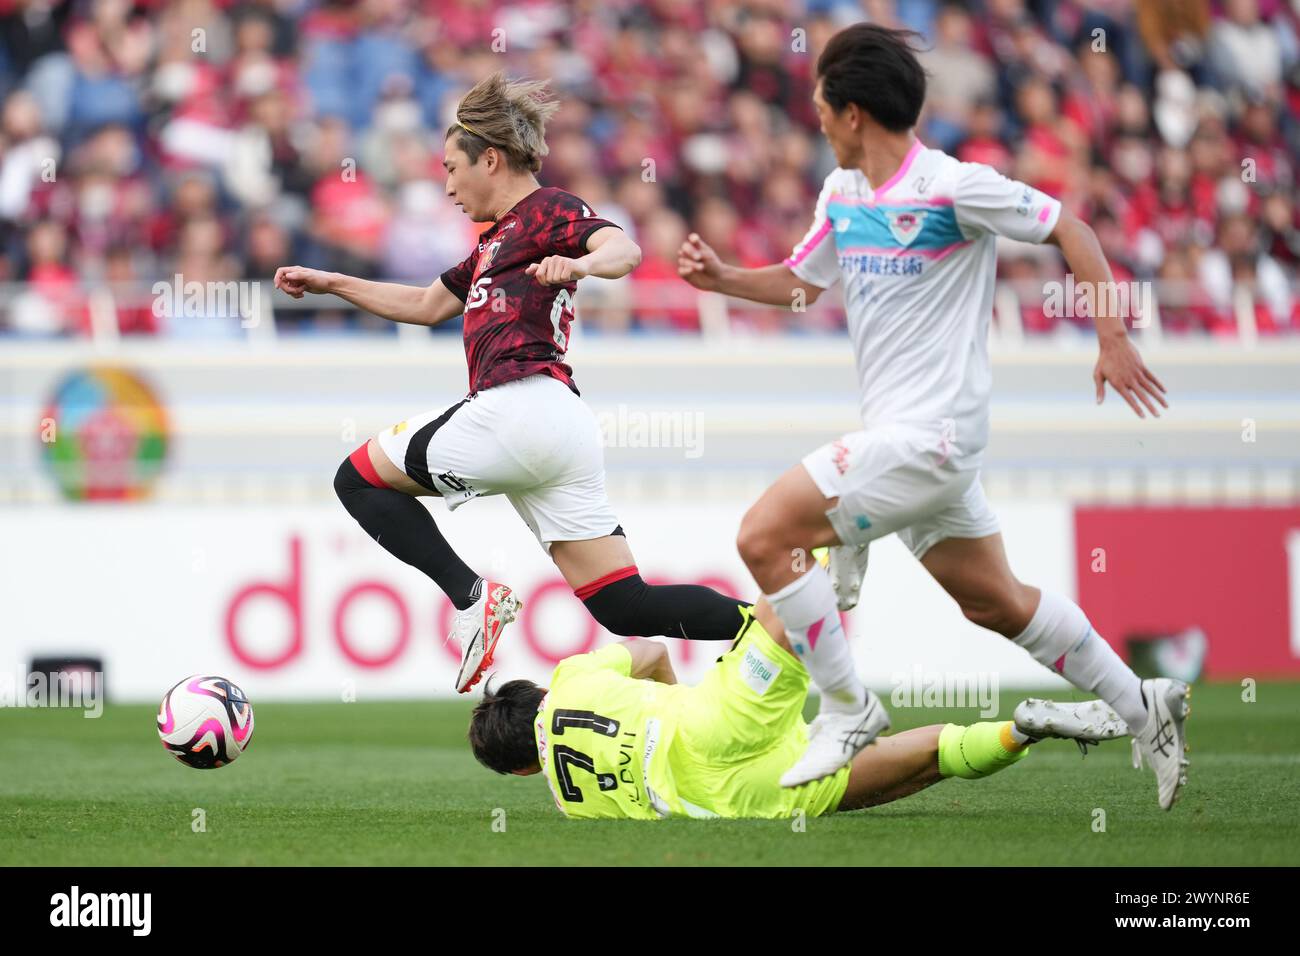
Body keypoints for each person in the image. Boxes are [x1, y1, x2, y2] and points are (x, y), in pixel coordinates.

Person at [677, 24, 1189, 808]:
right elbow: (801, 284)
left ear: (853, 113)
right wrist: (721, 281)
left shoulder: (954, 187)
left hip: (931, 438)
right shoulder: (842, 195)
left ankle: (848, 708)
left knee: (764, 536)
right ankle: (1139, 703)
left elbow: (1070, 229)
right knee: (997, 602)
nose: (812, 113)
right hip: (907, 447)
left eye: (820, 99)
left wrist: (1111, 336)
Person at [276, 72, 745, 694]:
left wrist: (580, 263)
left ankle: (472, 596)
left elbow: (623, 251)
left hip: (518, 408)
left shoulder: (549, 210)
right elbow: (421, 304)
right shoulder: (493, 244)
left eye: (451, 168)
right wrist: (334, 282)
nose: (446, 186)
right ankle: (770, 628)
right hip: (560, 430)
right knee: (625, 605)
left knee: (355, 478)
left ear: (489, 159)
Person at [468, 599, 1128, 820]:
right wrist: (673, 696)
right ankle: (839, 533)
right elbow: (645, 650)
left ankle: (1020, 729)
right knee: (778, 610)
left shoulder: (569, 805)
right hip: (712, 717)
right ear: (537, 697)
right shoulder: (572, 678)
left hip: (737, 794)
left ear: (523, 773)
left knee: (926, 762)